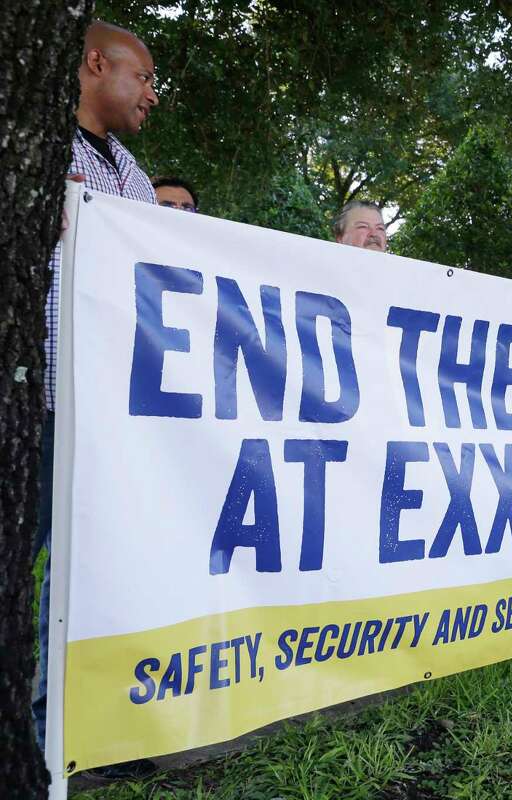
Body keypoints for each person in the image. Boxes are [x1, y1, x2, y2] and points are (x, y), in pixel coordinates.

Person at [36, 20, 161, 779]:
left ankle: (61, 729)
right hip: (42, 400)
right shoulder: (35, 146)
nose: (152, 95)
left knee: (87, 573)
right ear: (93, 64)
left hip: (111, 414)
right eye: (143, 78)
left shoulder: (134, 176)